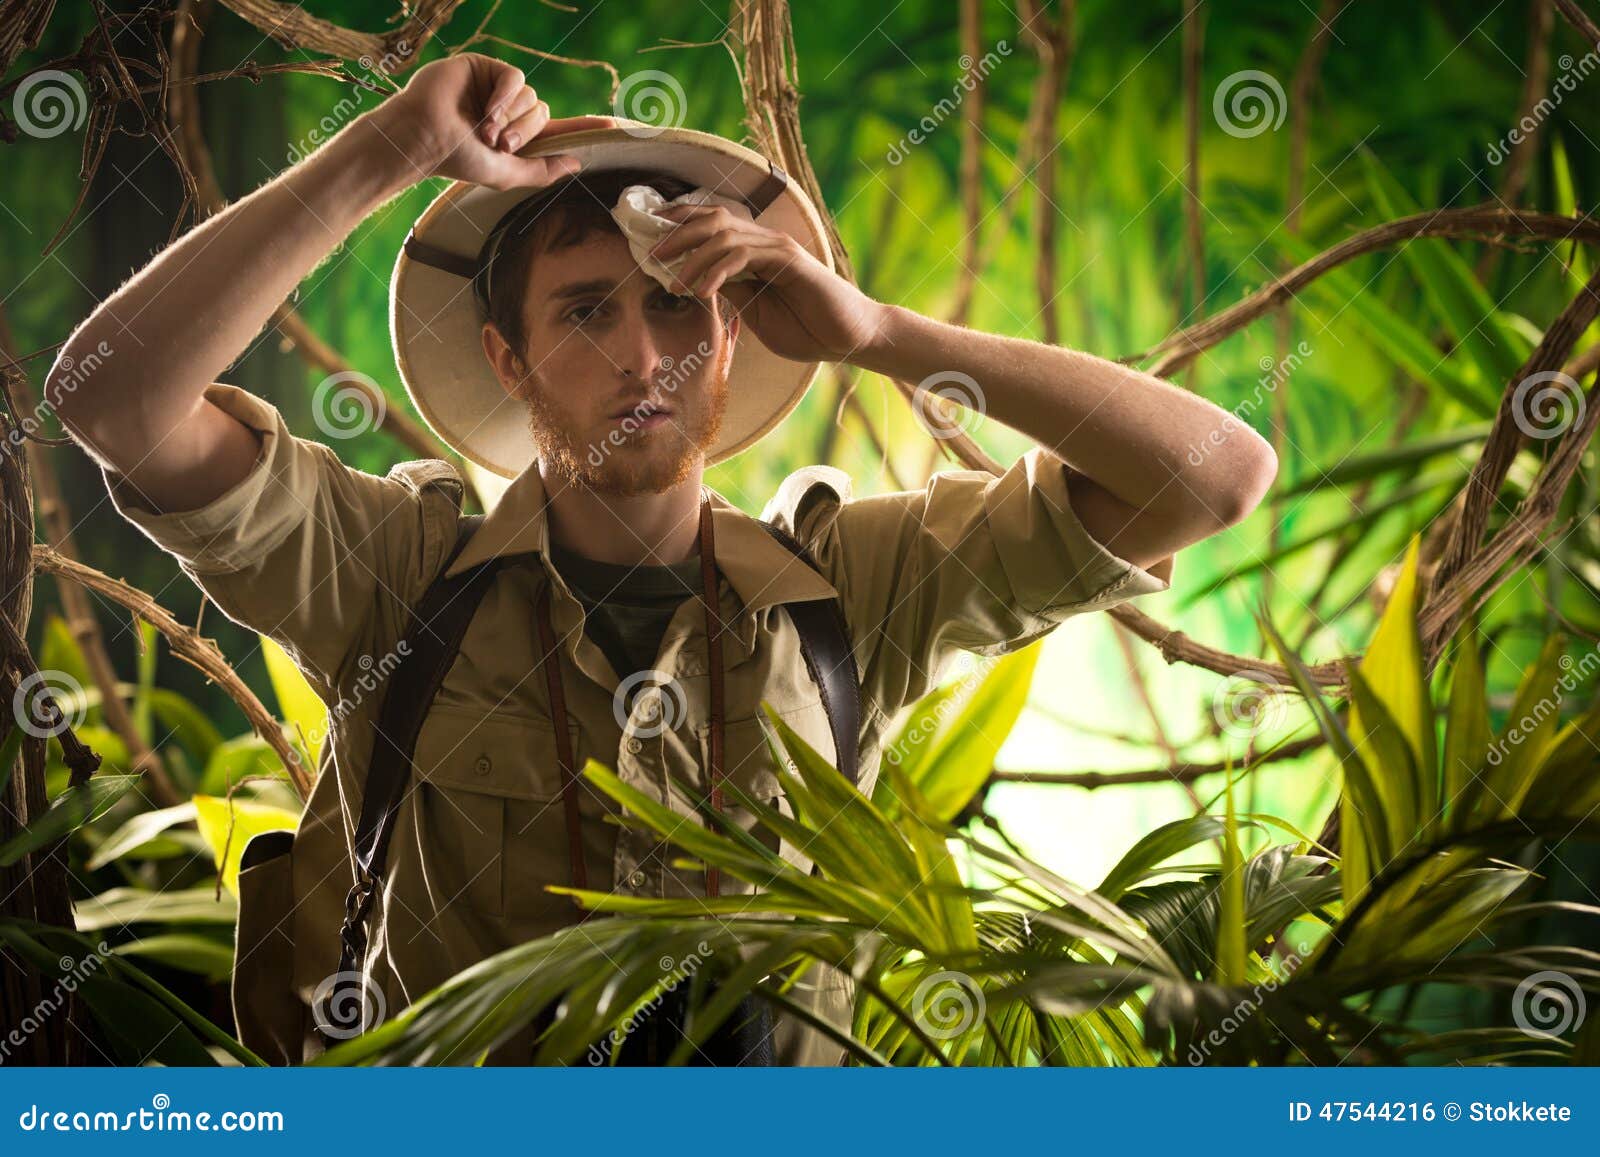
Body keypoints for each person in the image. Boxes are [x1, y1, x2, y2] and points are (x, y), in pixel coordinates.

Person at [50, 52, 1277, 1065]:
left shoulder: (859, 588)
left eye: (680, 306)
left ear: (733, 338)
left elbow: (1217, 476)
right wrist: (387, 148)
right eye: (586, 310)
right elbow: (111, 403)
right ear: (508, 355)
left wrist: (878, 330)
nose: (645, 358)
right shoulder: (394, 573)